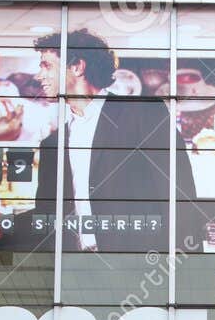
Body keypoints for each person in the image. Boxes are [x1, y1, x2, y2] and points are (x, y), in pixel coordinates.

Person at [32, 27, 197, 254]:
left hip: (138, 268)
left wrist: (188, 269)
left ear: (77, 66)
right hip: (75, 270)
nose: (39, 75)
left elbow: (180, 197)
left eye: (46, 65)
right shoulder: (53, 142)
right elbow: (48, 214)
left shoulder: (143, 115)